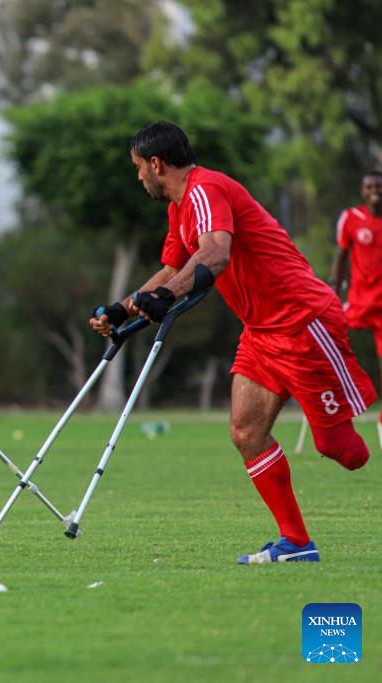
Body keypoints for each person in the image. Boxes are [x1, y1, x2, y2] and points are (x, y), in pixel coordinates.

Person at [90, 121, 375, 565]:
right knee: (246, 432)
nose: (138, 178)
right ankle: (297, 543)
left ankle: (306, 522)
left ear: (155, 163)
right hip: (262, 333)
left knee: (343, 451)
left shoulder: (205, 190)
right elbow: (172, 269)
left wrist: (164, 297)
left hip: (303, 323)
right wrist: (121, 309)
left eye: (137, 168)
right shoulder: (179, 208)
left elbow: (215, 253)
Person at [329, 171, 382, 446]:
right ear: (363, 191)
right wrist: (331, 294)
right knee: (323, 341)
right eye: (370, 186)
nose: (375, 190)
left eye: (378, 186)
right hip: (358, 303)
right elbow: (340, 258)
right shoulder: (351, 218)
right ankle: (324, 405)